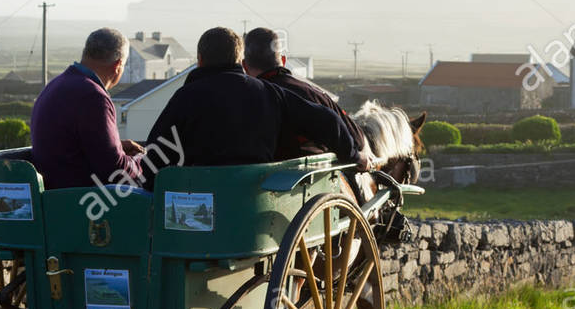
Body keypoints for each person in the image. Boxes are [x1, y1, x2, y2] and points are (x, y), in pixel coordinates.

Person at [145, 27, 370, 175]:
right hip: (255, 204)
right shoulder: (269, 93)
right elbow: (328, 121)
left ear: (200, 60)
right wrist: (353, 155)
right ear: (240, 61)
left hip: (197, 209)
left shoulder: (184, 98)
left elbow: (156, 155)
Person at [29, 27, 145, 189]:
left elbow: (73, 146)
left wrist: (117, 146)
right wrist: (140, 161)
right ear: (117, 65)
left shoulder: (55, 85)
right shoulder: (93, 97)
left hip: (53, 193)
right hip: (80, 201)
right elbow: (114, 170)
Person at [241, 27, 368, 160]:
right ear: (283, 61)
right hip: (311, 176)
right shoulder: (315, 94)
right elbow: (358, 140)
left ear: (245, 66)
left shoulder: (241, 101)